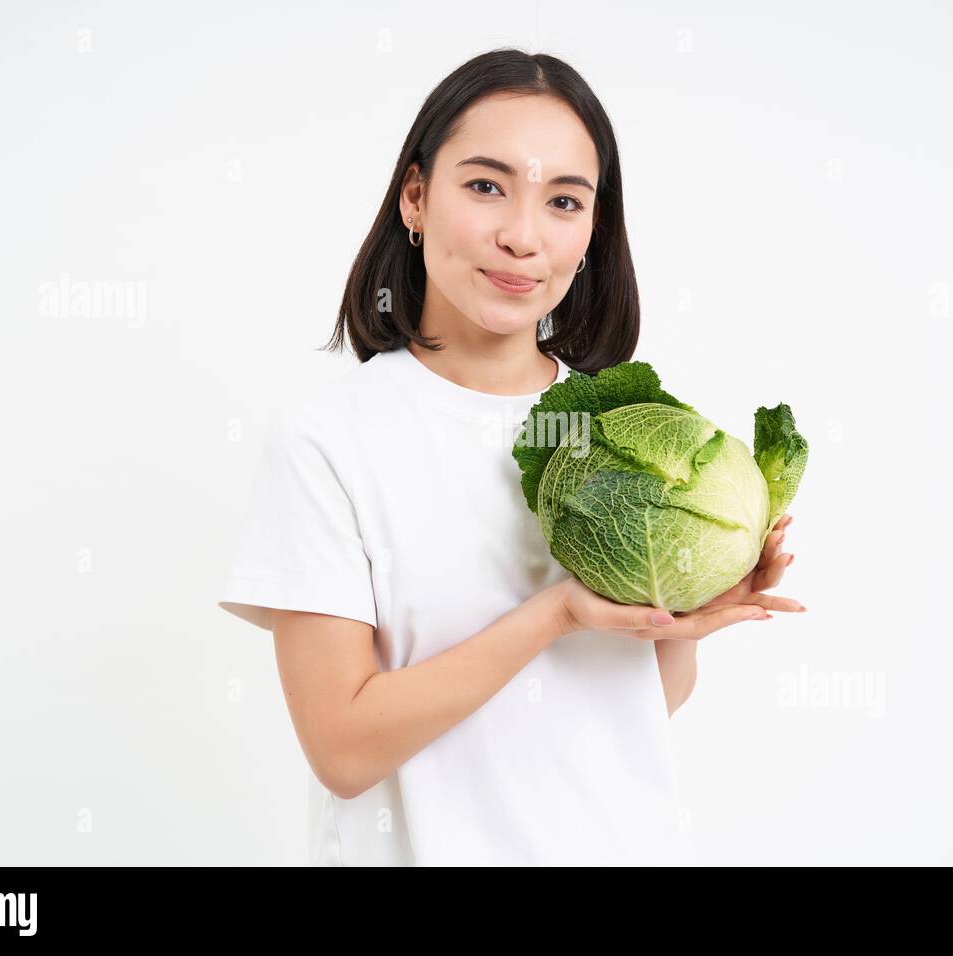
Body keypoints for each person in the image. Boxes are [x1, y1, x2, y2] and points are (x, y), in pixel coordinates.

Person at [217, 48, 803, 866]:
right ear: (415, 197)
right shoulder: (332, 436)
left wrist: (689, 596)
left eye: (564, 201)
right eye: (486, 186)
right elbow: (343, 749)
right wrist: (556, 614)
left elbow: (636, 707)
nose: (522, 237)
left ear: (592, 229)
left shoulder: (621, 424)